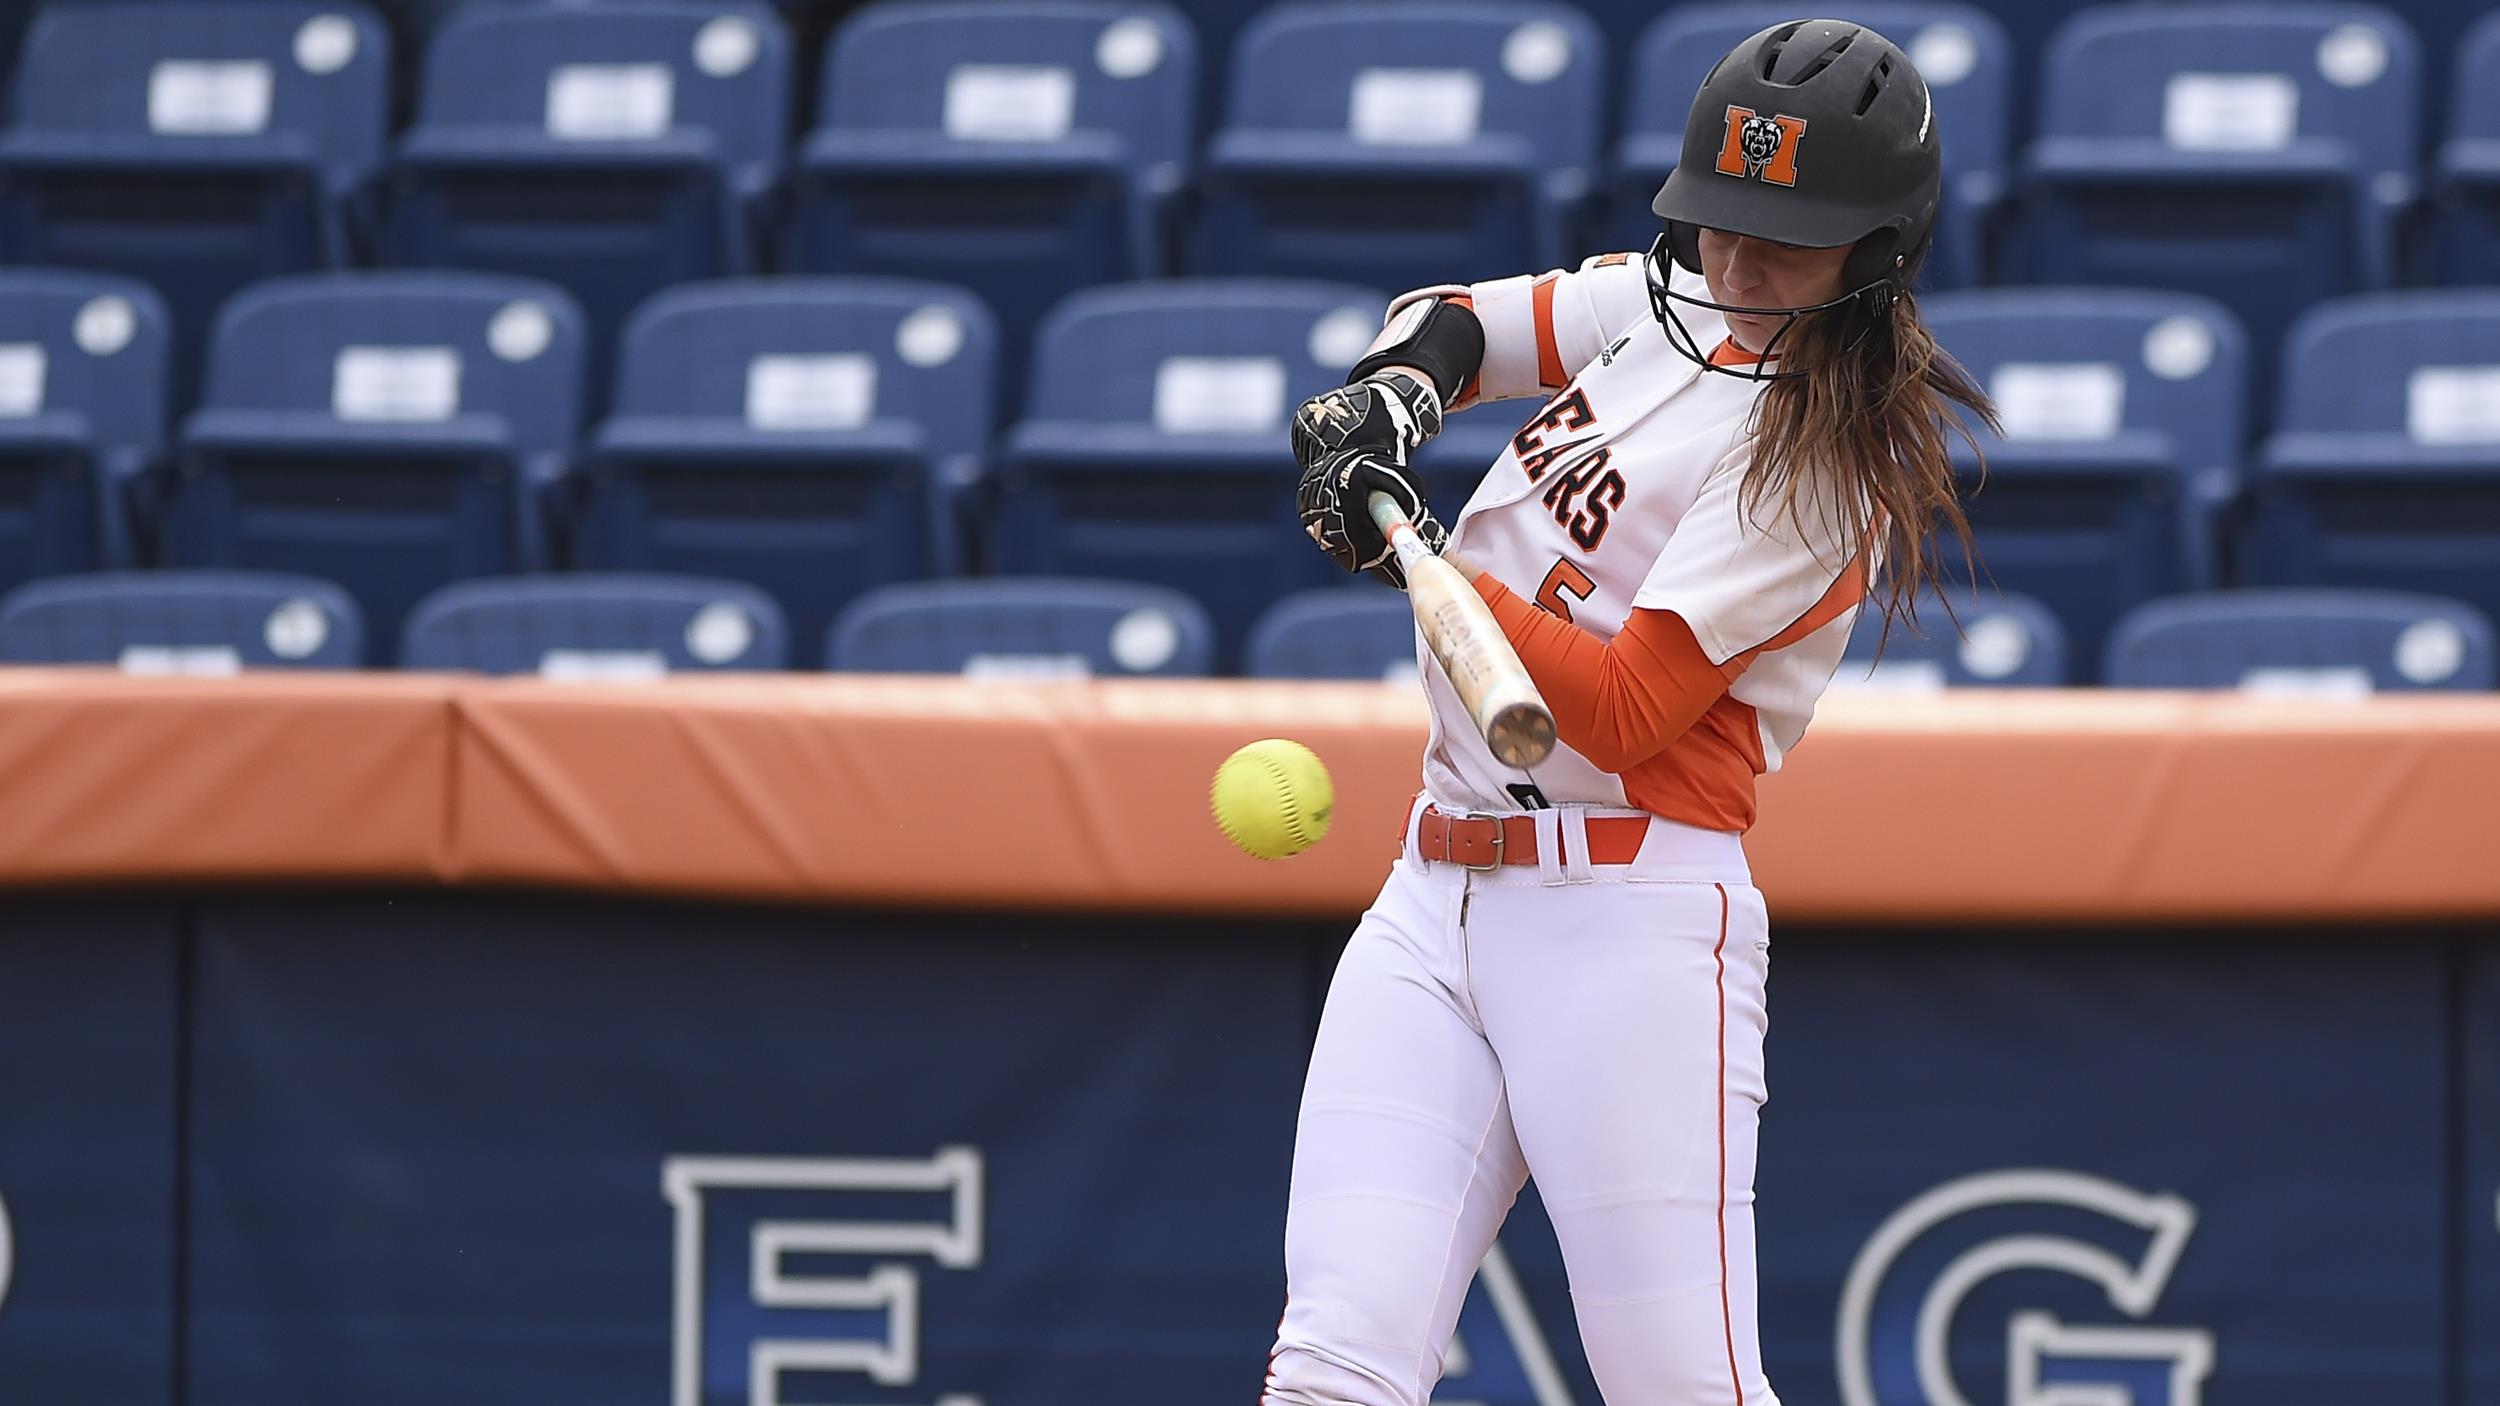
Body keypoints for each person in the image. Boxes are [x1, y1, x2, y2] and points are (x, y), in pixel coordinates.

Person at [1267, 18, 1999, 1406]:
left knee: (1682, 1387)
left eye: (1787, 242)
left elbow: (1620, 709)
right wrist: (1394, 398)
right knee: (1331, 1370)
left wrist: (1429, 561)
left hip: (1627, 918)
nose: (1742, 265)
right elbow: (1464, 319)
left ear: (1877, 252)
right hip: (1434, 883)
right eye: (1724, 221)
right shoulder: (1675, 305)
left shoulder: (1821, 459)